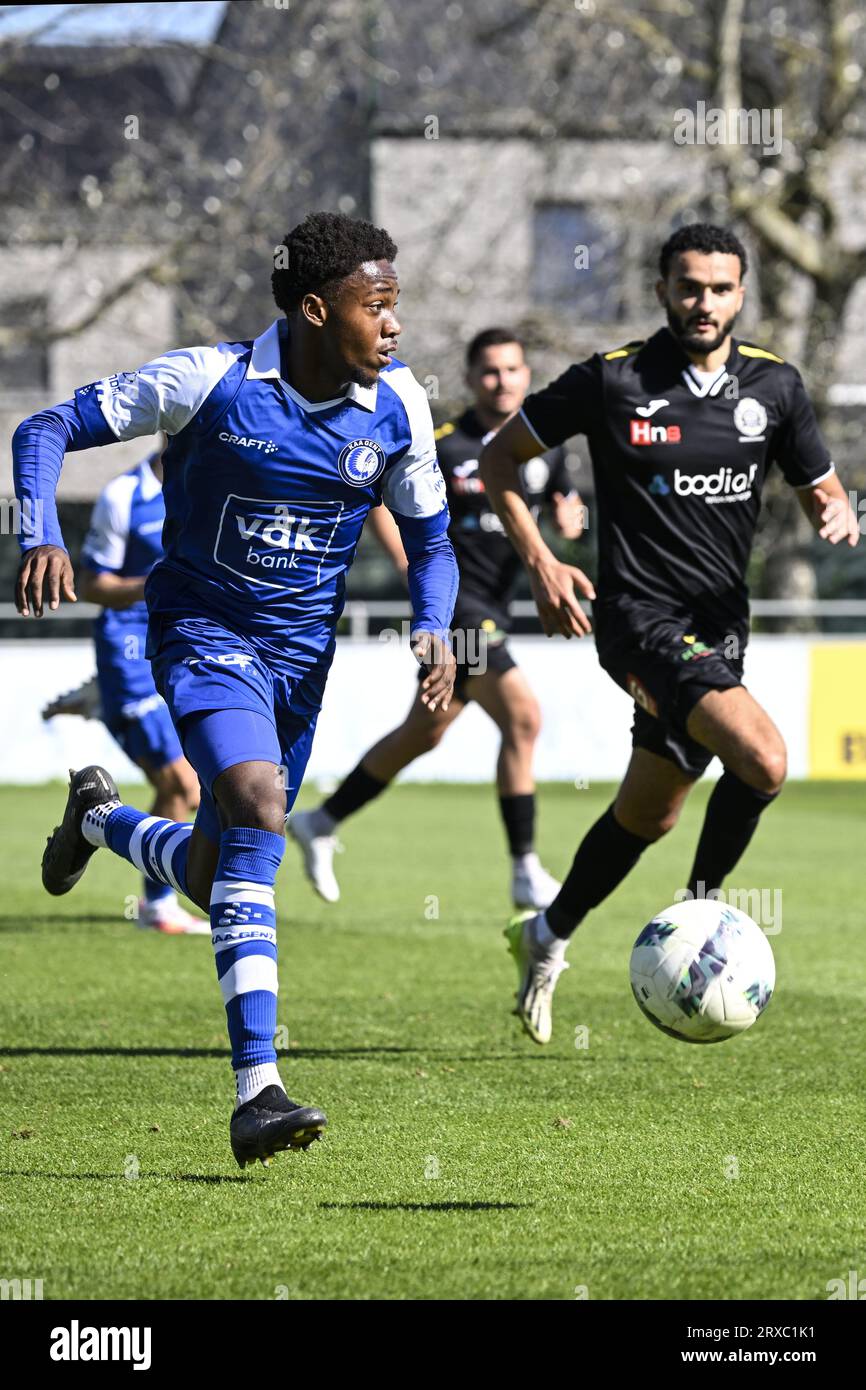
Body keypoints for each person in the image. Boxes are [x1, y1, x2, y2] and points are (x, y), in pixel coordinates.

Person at [13, 211, 458, 1165]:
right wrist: (40, 532)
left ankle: (101, 821)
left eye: (396, 307)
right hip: (203, 636)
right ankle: (258, 1086)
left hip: (301, 667)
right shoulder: (206, 381)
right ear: (312, 309)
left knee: (223, 875)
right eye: (375, 307)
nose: (394, 327)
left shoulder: (401, 408)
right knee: (258, 807)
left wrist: (433, 621)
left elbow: (431, 541)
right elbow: (45, 426)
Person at [479, 222, 859, 1044]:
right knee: (762, 759)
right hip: (638, 622)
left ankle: (544, 934)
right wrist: (544, 564)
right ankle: (700, 918)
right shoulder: (612, 382)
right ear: (661, 290)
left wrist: (832, 506)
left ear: (742, 293)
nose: (704, 303)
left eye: (721, 288)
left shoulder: (777, 387)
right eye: (689, 287)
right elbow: (497, 460)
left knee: (649, 814)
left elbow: (819, 483)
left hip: (721, 631)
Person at [289, 328, 585, 909]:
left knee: (423, 732)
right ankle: (525, 867)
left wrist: (572, 521)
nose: (502, 381)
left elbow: (568, 505)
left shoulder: (544, 450)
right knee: (523, 718)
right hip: (456, 611)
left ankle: (321, 820)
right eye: (490, 371)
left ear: (526, 377)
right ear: (473, 379)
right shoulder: (445, 444)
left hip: (495, 609)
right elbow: (378, 496)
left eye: (512, 370)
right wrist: (407, 564)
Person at [74, 442, 205, 933]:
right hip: (130, 648)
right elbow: (91, 585)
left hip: (188, 645)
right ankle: (155, 903)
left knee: (191, 788)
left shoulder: (213, 485)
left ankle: (155, 905)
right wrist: (156, 583)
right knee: (180, 783)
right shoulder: (124, 495)